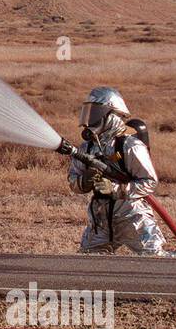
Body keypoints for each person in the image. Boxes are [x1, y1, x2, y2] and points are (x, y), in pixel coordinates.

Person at [67, 86, 166, 255]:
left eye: (96, 113)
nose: (90, 119)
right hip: (100, 220)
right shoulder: (86, 148)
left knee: (153, 258)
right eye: (89, 112)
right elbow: (74, 182)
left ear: (113, 116)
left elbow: (149, 182)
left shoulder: (130, 146)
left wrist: (116, 189)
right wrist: (84, 181)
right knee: (87, 262)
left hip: (132, 216)